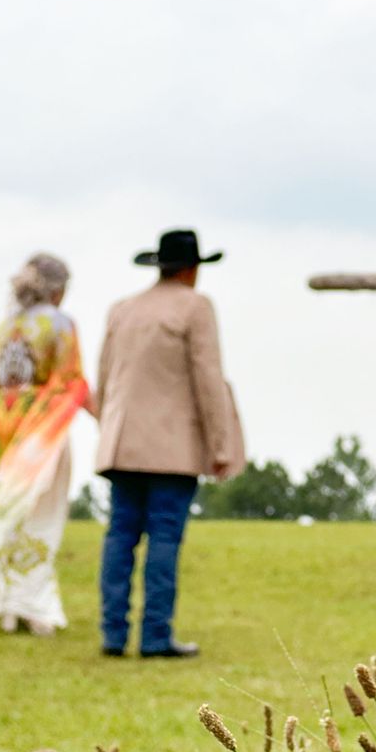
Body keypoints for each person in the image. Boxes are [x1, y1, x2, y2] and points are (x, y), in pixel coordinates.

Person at [92, 228, 245, 658]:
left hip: (121, 444)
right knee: (163, 537)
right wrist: (221, 444)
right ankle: (156, 635)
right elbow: (208, 379)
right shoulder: (196, 307)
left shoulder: (122, 310)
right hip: (172, 448)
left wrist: (108, 428)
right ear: (193, 269)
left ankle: (113, 634)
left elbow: (105, 379)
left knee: (120, 535)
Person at [0, 253, 90, 636]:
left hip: (0, 425)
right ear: (58, 289)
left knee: (7, 512)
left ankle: (7, 606)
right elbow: (72, 382)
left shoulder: (4, 329)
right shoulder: (61, 325)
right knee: (42, 514)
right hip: (39, 430)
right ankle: (35, 607)